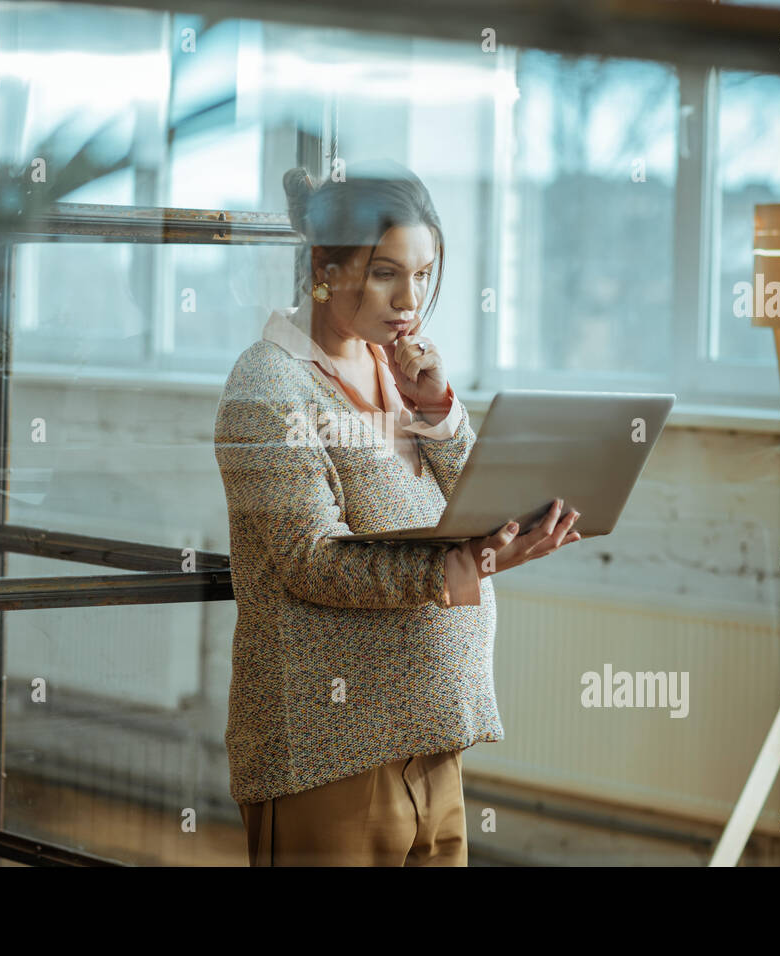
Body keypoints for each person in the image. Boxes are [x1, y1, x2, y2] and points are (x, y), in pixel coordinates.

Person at [212, 160, 581, 866]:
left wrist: (439, 411)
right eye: (385, 273)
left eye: (423, 273)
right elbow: (312, 562)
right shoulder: (269, 388)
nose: (409, 299)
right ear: (325, 266)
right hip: (328, 758)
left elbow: (479, 502)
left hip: (434, 744)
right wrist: (464, 567)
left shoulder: (399, 371)